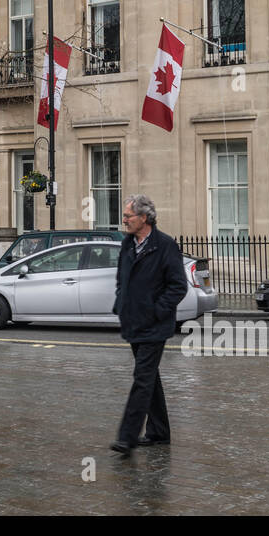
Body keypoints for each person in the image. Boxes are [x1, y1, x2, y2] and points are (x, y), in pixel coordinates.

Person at [110, 193, 188, 457]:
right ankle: (159, 432)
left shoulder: (165, 245)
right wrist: (121, 302)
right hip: (133, 322)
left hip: (155, 325)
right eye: (125, 216)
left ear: (144, 217)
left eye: (128, 216)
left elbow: (178, 286)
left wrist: (157, 310)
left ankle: (127, 436)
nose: (124, 220)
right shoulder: (127, 244)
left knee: (142, 379)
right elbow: (122, 278)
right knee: (150, 378)